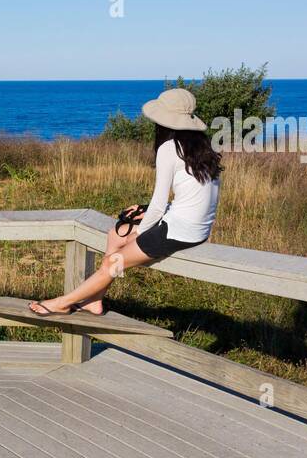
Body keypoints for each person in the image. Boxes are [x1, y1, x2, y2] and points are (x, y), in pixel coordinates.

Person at [29, 87, 220, 316]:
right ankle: (94, 301)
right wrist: (144, 212)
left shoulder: (170, 148)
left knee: (113, 262)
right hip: (196, 229)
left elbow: (159, 204)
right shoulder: (203, 146)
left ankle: (62, 303)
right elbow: (195, 199)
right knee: (115, 235)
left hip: (178, 232)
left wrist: (139, 234)